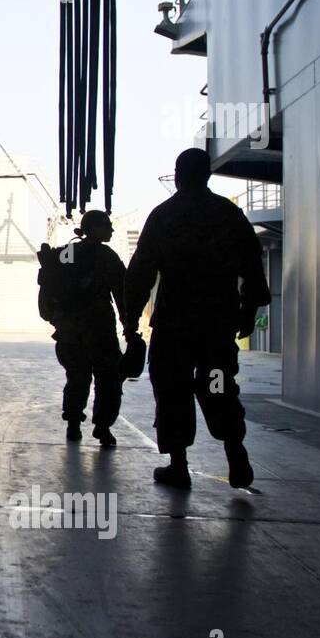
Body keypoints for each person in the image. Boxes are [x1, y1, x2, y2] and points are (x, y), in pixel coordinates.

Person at [124, 148, 271, 490]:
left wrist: (131, 318)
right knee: (218, 384)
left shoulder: (165, 215)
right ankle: (235, 450)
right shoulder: (229, 215)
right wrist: (247, 312)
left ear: (178, 174)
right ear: (206, 174)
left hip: (175, 325)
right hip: (217, 326)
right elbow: (252, 268)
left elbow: (141, 271)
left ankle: (179, 466)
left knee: (173, 388)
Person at [37, 210, 135, 447]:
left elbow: (50, 279)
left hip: (70, 329)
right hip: (99, 328)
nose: (111, 230)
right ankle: (102, 427)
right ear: (95, 228)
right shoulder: (106, 256)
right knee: (108, 378)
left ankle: (73, 424)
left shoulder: (69, 252)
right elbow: (122, 295)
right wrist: (129, 325)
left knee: (77, 377)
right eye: (106, 226)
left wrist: (54, 316)